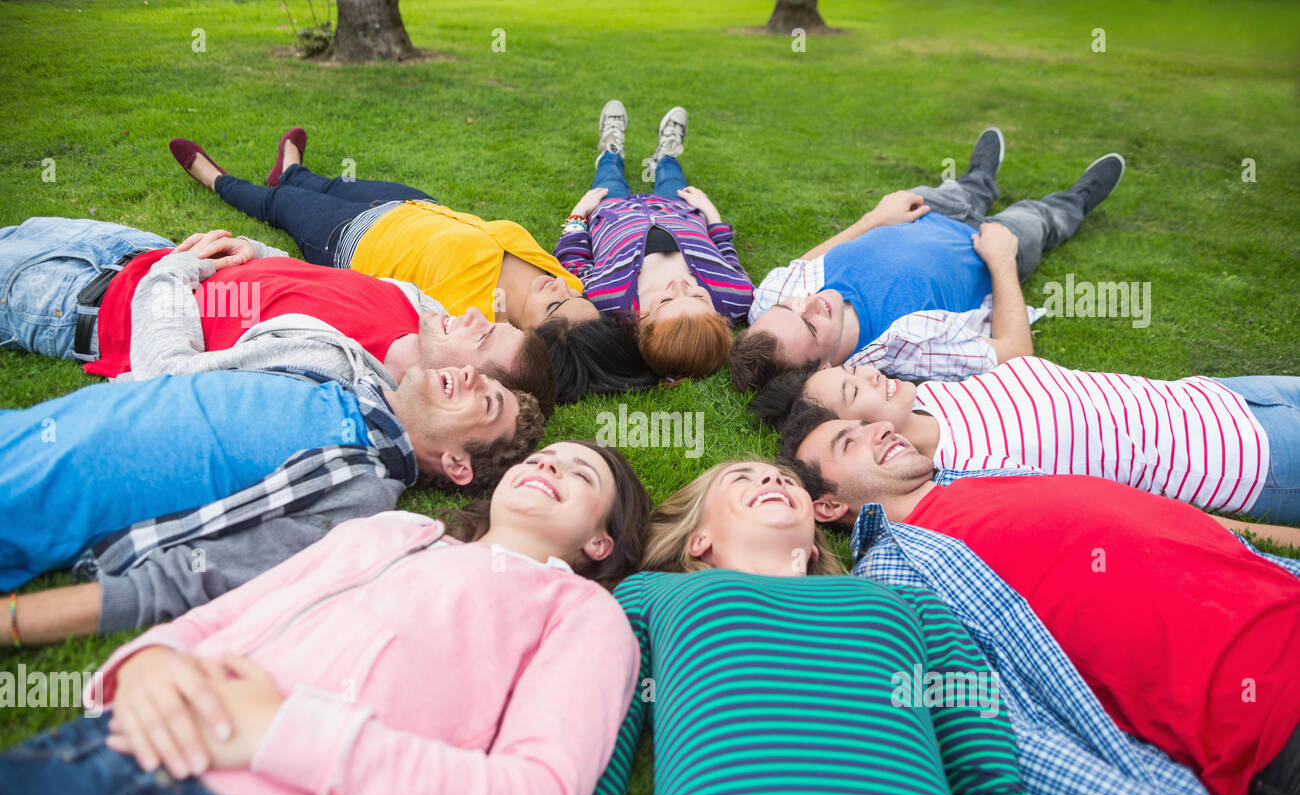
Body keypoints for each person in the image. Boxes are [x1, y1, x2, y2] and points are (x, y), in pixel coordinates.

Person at [0, 441, 651, 795]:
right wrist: (146, 663)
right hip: (107, 747)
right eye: (544, 456)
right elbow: (219, 617)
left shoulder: (584, 615)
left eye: (580, 473)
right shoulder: (386, 530)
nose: (548, 466)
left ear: (601, 542)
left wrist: (280, 733)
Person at [786, 412, 1300, 795]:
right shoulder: (898, 572)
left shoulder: (988, 475)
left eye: (867, 422)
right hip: (1263, 709)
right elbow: (998, 726)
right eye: (848, 441)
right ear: (830, 506)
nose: (878, 428)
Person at [595, 459, 1065, 795]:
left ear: (814, 544)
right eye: (742, 478)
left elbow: (985, 768)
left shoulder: (909, 604)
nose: (772, 482)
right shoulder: (654, 594)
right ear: (699, 539)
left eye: (784, 479)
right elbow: (597, 751)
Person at [1, 357, 543, 616]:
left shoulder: (362, 490)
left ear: (457, 465)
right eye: (486, 376)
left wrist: (18, 622)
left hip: (29, 497)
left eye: (487, 401)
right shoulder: (345, 383)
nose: (473, 375)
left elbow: (198, 579)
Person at [0, 217, 555, 411]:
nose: (480, 317)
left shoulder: (327, 376)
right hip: (132, 245)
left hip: (81, 297)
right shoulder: (416, 307)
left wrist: (173, 272)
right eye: (496, 324)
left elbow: (165, 376)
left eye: (483, 342)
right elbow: (299, 275)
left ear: (458, 381)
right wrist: (251, 250)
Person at [728, 128, 1125, 392]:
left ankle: (979, 179)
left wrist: (874, 219)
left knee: (958, 190)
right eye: (812, 327)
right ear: (822, 373)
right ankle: (1073, 201)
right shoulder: (906, 352)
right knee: (1038, 221)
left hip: (925, 212)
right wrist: (1002, 260)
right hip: (989, 244)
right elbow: (1017, 355)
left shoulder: (768, 305)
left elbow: (802, 266)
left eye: (791, 306)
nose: (811, 300)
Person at [754, 357, 1300, 523]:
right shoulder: (967, 475)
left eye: (855, 368)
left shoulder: (930, 396)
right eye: (853, 391)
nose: (871, 374)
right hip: (1247, 460)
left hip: (1216, 393)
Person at [168, 127, 598, 331]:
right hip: (418, 207)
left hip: (350, 239)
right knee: (331, 183)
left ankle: (214, 178)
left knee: (277, 205)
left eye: (556, 308)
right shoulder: (565, 281)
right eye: (572, 294)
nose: (559, 288)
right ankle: (292, 168)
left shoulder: (475, 318)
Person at [554, 102, 752, 381]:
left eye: (667, 300)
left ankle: (611, 149)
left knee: (608, 175)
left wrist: (577, 212)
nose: (682, 286)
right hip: (678, 209)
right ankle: (667, 155)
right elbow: (728, 258)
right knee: (672, 175)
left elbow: (571, 260)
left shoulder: (605, 300)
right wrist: (711, 213)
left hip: (613, 212)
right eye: (698, 297)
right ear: (723, 318)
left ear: (643, 322)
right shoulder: (737, 294)